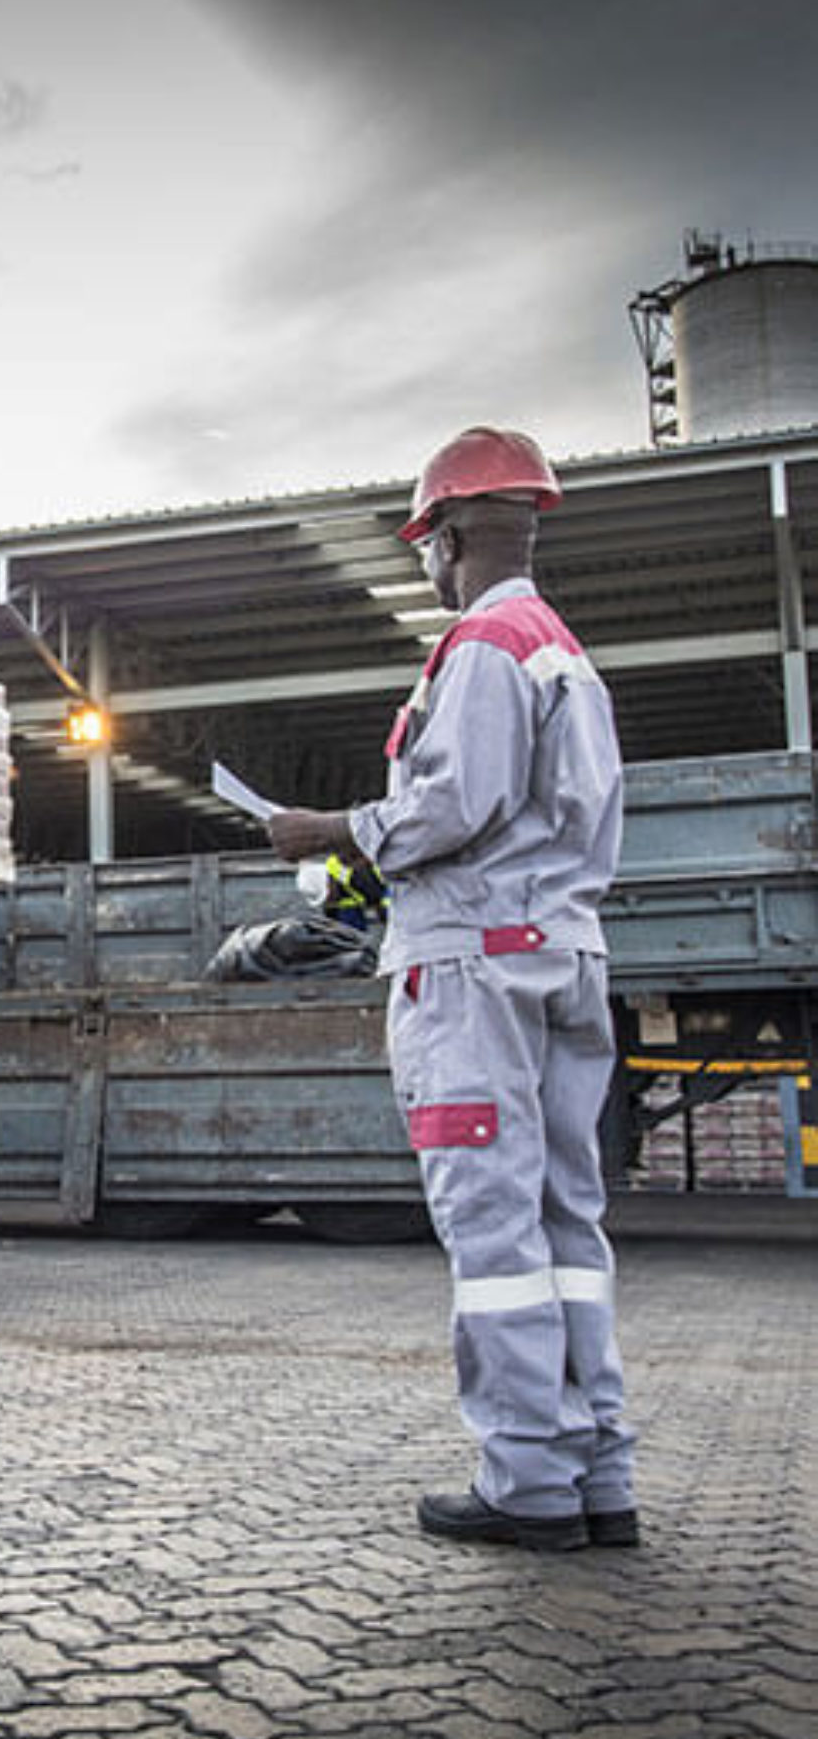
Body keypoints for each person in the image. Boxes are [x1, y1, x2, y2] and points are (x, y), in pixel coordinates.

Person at [269, 426, 637, 1553]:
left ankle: (527, 1485)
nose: (424, 559)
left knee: (492, 1231)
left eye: (425, 538)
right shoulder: (561, 651)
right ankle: (598, 1476)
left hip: (476, 967)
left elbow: (453, 804)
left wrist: (328, 829)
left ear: (456, 535)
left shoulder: (483, 643)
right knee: (567, 1222)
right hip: (562, 957)